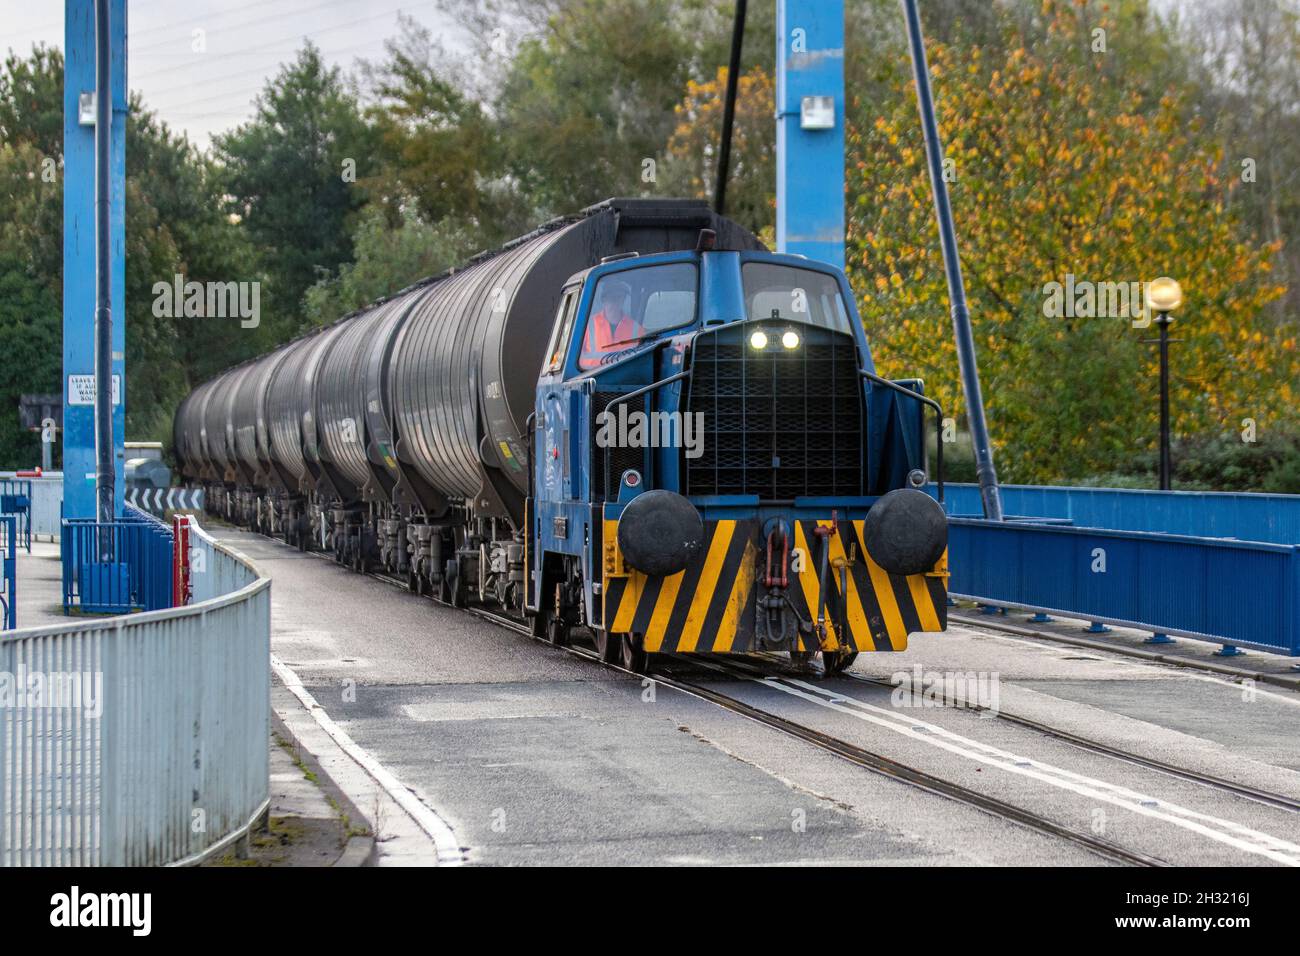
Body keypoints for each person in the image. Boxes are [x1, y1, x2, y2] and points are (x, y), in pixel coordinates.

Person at [579, 279, 641, 368]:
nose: (616, 303)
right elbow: (571, 356)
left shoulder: (636, 329)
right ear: (604, 300)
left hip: (626, 378)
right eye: (612, 298)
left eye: (619, 297)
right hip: (594, 377)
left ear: (623, 300)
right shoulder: (587, 326)